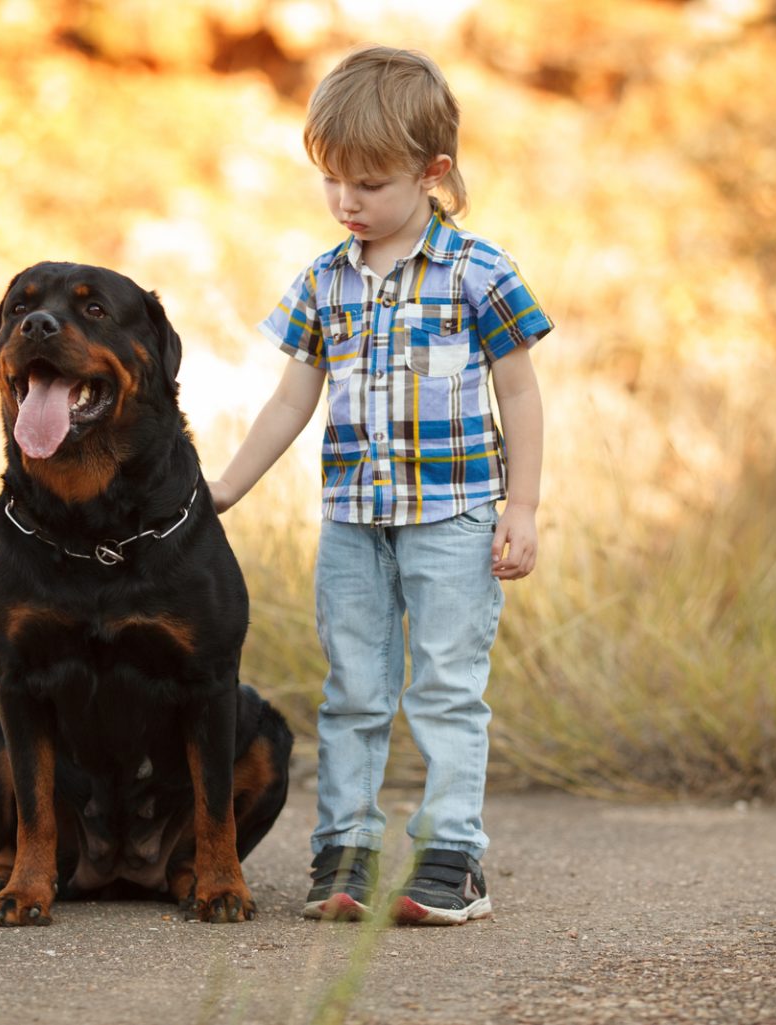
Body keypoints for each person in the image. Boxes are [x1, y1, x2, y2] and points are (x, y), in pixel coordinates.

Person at [209, 45, 552, 926]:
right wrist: (222, 491)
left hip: (457, 517)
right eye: (331, 181)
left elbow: (519, 390)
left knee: (445, 685)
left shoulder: (479, 271)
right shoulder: (325, 281)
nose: (346, 202)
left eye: (368, 183)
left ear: (433, 172)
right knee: (353, 687)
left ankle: (450, 857)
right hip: (354, 523)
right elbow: (292, 399)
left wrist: (522, 506)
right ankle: (347, 852)